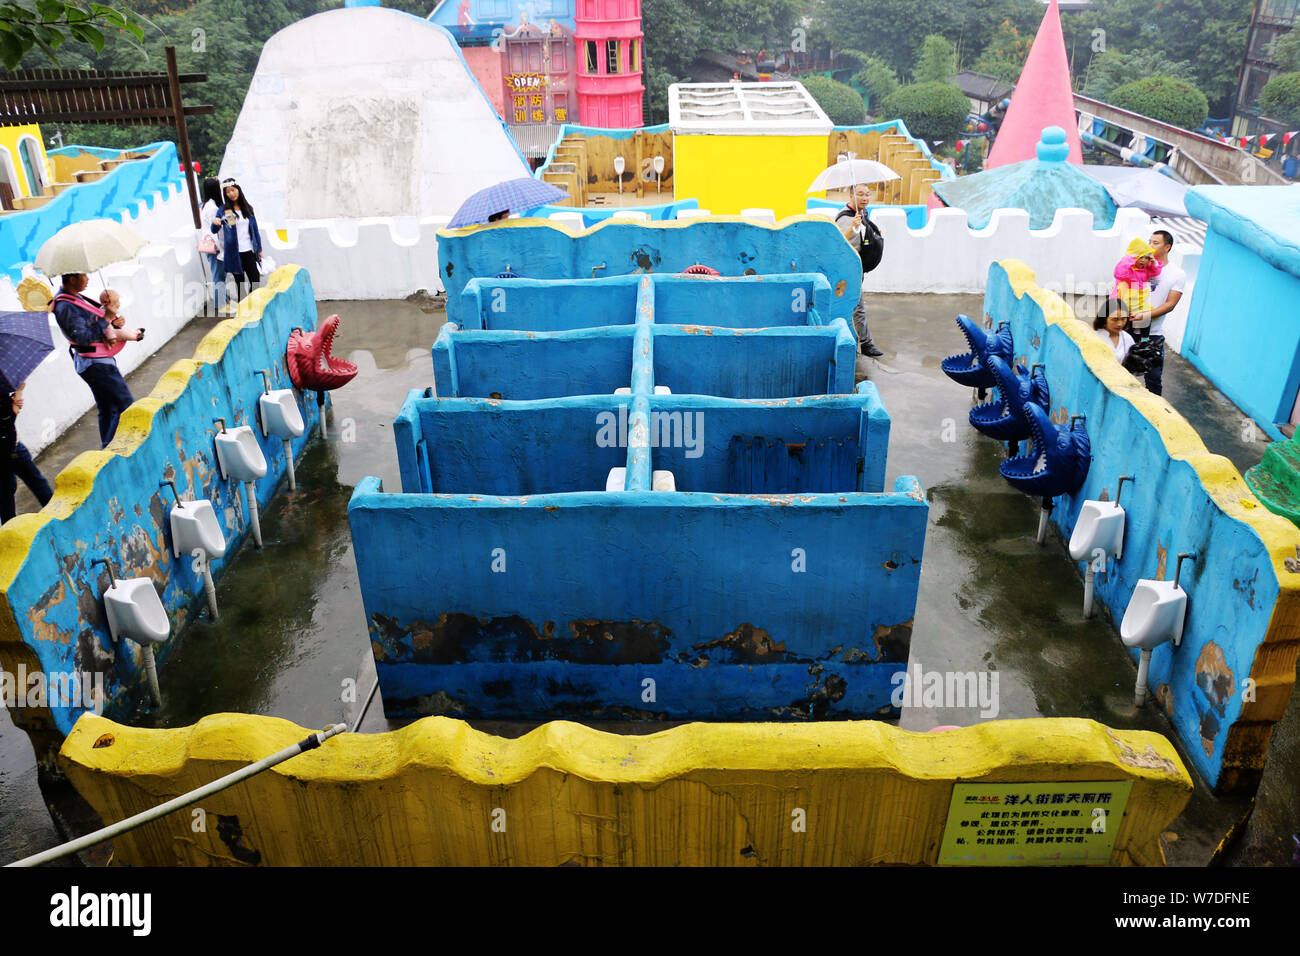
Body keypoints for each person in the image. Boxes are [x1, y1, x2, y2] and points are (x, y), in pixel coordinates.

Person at [51, 273, 141, 448]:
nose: (88, 278)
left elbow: (89, 323)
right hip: (95, 363)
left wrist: (112, 322)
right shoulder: (65, 306)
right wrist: (106, 318)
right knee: (124, 405)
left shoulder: (74, 298)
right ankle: (113, 449)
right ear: (72, 279)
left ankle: (107, 447)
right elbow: (83, 337)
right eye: (83, 276)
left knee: (107, 408)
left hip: (94, 362)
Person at [1128, 229, 1184, 396]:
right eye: (1149, 241)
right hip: (1127, 329)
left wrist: (1146, 316)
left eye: (1155, 242)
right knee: (1119, 374)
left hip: (1152, 334)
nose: (1150, 245)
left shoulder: (1177, 274)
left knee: (1153, 379)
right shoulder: (1139, 266)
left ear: (1167, 247)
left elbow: (1170, 303)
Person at [835, 182, 885, 357]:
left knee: (855, 306)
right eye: (860, 194)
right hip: (846, 268)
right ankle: (864, 344)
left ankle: (859, 342)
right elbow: (838, 241)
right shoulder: (845, 217)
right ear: (851, 196)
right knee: (857, 306)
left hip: (857, 267)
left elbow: (862, 237)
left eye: (867, 194)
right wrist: (851, 226)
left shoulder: (862, 214)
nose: (865, 198)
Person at [1, 382, 53, 524]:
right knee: (37, 482)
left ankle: (8, 532)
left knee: (5, 493)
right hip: (11, 448)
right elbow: (7, 418)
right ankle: (55, 516)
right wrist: (18, 393)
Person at [215, 178, 262, 304]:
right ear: (225, 194)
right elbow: (215, 229)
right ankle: (245, 308)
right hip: (234, 253)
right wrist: (216, 222)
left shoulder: (248, 208)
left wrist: (260, 250)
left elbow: (255, 230)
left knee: (255, 278)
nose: (231, 193)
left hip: (249, 250)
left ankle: (254, 303)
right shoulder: (224, 210)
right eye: (228, 192)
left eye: (233, 190)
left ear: (238, 190)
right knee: (240, 282)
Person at [199, 176, 231, 316]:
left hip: (212, 246)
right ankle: (221, 304)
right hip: (215, 248)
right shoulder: (212, 208)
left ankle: (225, 300)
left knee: (219, 275)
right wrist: (221, 249)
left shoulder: (205, 205)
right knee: (218, 276)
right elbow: (214, 231)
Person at [1112, 236, 1163, 316]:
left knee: (1144, 320)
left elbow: (1155, 272)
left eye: (1147, 258)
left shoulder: (1145, 270)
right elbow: (1120, 274)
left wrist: (1155, 263)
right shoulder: (1129, 269)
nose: (1143, 260)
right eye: (1140, 257)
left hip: (1137, 303)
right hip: (1122, 300)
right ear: (1134, 257)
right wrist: (1129, 260)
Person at [1093, 299, 1134, 364]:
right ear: (1104, 318)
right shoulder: (1094, 337)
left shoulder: (1127, 338)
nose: (1119, 324)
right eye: (1115, 319)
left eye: (1123, 319)